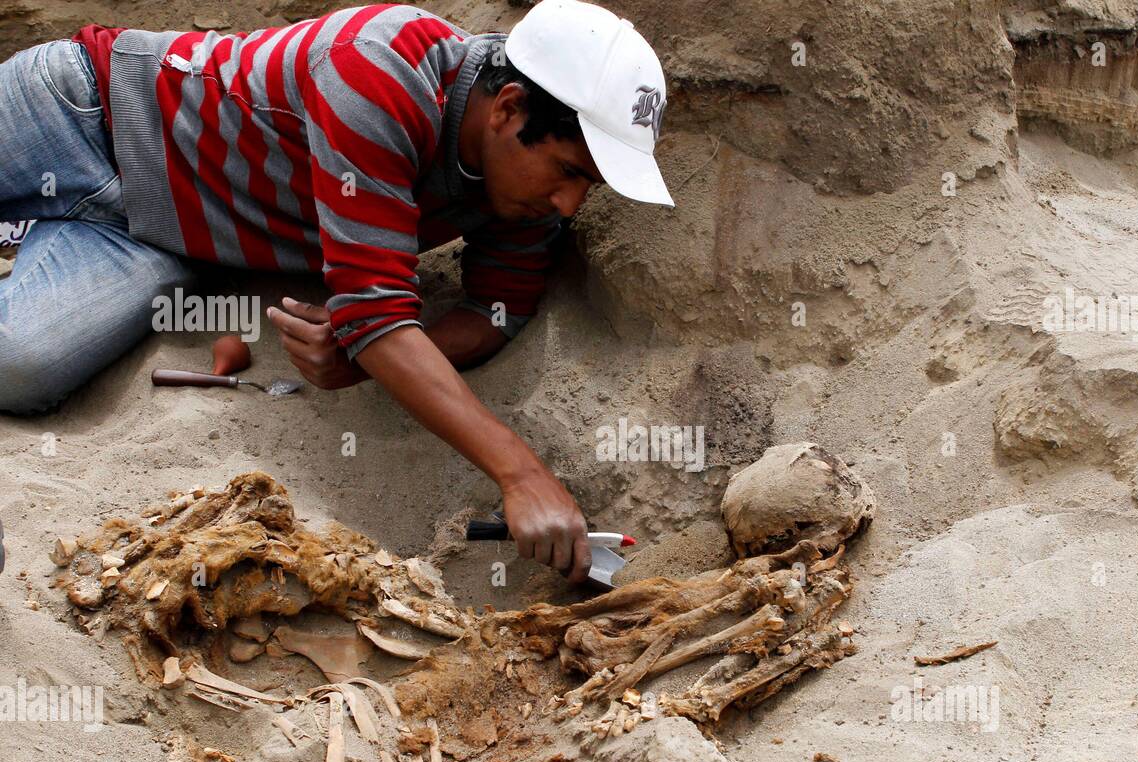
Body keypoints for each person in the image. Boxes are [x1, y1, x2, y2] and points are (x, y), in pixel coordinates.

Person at [0, 0, 674, 583]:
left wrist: (362, 354)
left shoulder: (520, 189)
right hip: (75, 109)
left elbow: (496, 313)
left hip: (151, 234)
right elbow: (378, 313)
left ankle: (25, 230)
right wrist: (523, 475)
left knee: (18, 366)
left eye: (587, 184)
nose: (568, 203)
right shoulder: (379, 69)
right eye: (565, 171)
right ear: (507, 108)